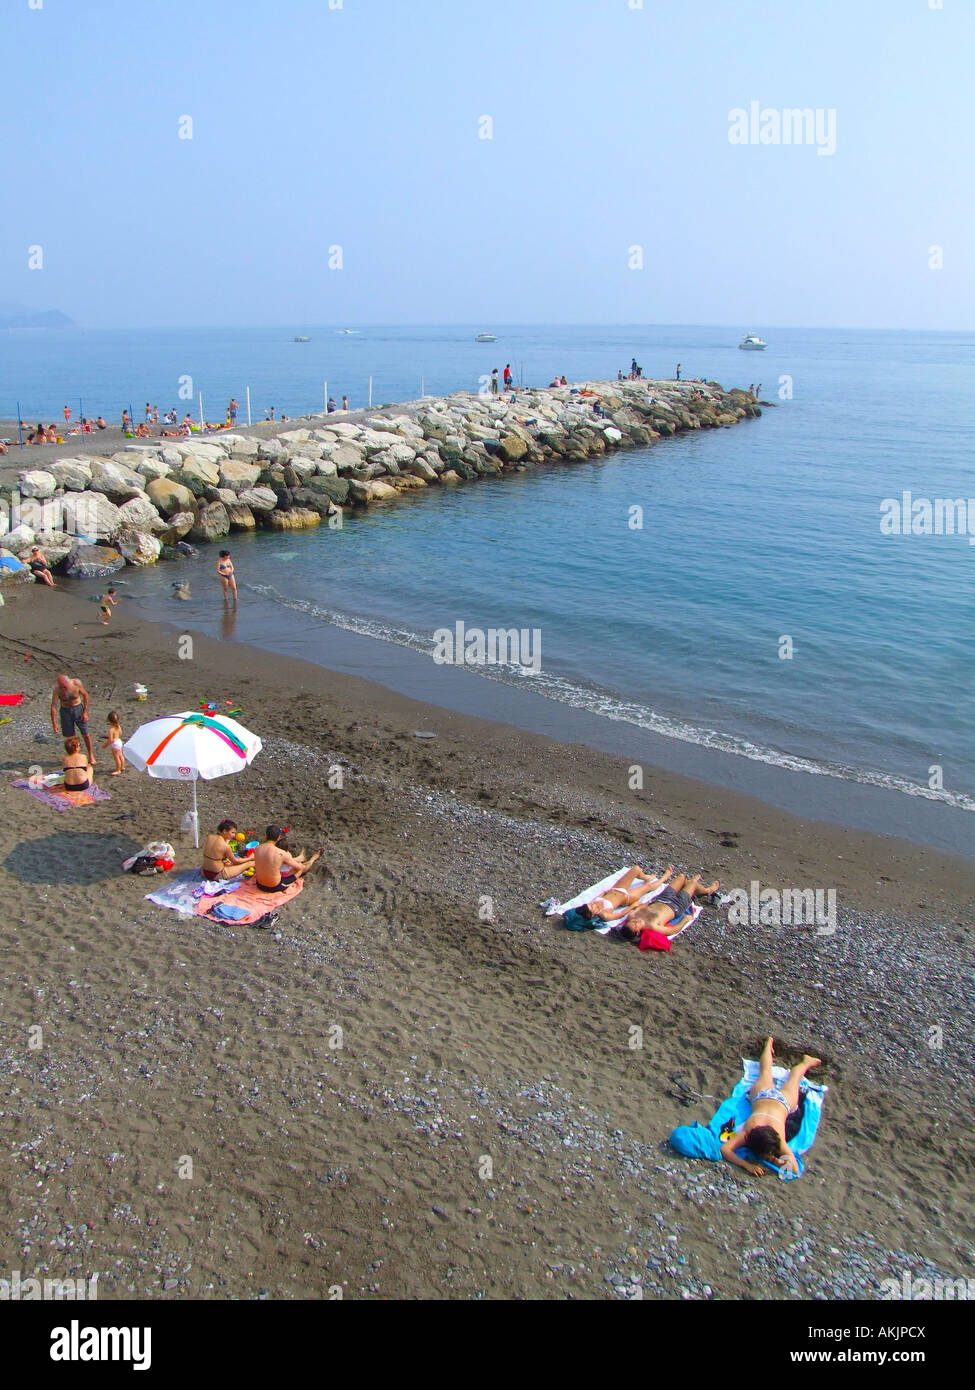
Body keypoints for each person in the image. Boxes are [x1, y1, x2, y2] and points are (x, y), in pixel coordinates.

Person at [720, 1037, 821, 1177]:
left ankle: (769, 1045)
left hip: (776, 1101)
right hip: (765, 1098)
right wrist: (772, 1160)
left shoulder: (750, 1134)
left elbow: (726, 1150)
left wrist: (749, 1164)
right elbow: (794, 1168)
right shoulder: (775, 1138)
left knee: (767, 1072)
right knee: (792, 1078)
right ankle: (804, 1061)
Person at [617, 871, 719, 940]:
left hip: (663, 898)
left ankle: (691, 888)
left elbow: (640, 906)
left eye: (631, 922)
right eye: (635, 925)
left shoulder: (632, 916)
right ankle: (707, 891)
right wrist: (685, 920)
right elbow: (672, 930)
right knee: (693, 883)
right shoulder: (652, 926)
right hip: (676, 906)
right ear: (638, 932)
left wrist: (647, 902)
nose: (635, 921)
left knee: (681, 877)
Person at [572, 865, 675, 923]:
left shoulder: (592, 903)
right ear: (592, 914)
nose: (593, 905)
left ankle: (646, 877)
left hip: (616, 889)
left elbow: (601, 893)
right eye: (592, 907)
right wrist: (633, 906)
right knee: (648, 887)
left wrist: (606, 890)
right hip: (627, 898)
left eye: (591, 905)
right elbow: (620, 914)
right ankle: (665, 877)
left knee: (636, 869)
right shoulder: (604, 914)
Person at [253, 825, 320, 892]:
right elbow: (300, 867)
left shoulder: (257, 848)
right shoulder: (281, 853)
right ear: (278, 838)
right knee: (301, 869)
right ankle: (313, 859)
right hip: (274, 886)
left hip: (259, 884)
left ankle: (300, 858)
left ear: (265, 835)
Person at [51, 674, 94, 766]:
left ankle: (91, 755)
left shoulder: (76, 683)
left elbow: (85, 695)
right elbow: (53, 706)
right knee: (70, 737)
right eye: (61, 687)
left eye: (64, 687)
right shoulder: (57, 689)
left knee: (85, 734)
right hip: (65, 711)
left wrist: (85, 712)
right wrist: (54, 723)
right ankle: (74, 756)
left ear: (68, 682)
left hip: (78, 708)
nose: (63, 689)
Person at [103, 711, 125, 776]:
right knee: (120, 755)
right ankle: (122, 767)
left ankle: (118, 770)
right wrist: (116, 737)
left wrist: (105, 745)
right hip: (119, 741)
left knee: (116, 757)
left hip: (115, 744)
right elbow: (120, 733)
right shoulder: (118, 726)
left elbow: (110, 740)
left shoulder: (111, 729)